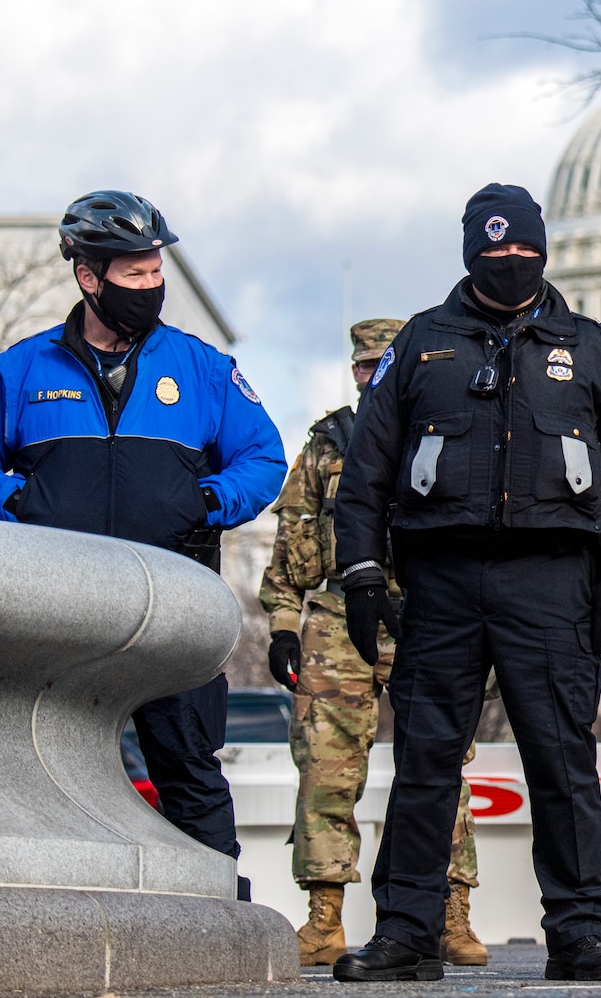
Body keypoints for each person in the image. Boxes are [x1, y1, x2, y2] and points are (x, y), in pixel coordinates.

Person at [328, 183, 601, 983]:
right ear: (467, 255)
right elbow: (367, 473)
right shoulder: (419, 346)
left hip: (553, 583)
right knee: (423, 763)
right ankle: (408, 933)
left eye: (522, 250)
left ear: (542, 251)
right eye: (493, 252)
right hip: (441, 580)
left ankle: (580, 931)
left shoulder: (591, 349)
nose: (509, 262)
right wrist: (360, 574)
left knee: (561, 762)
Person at [0, 190, 286, 887]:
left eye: (157, 272)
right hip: (57, 606)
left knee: (188, 765)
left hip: (173, 601)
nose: (151, 286)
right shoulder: (22, 370)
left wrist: (209, 500)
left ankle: (219, 905)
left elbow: (264, 458)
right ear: (88, 277)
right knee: (39, 764)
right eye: (134, 274)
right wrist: (21, 502)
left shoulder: (203, 368)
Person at [259, 319, 487, 967]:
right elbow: (292, 542)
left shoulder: (452, 432)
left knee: (441, 770)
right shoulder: (328, 444)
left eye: (382, 364)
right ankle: (324, 917)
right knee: (327, 770)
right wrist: (282, 621)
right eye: (362, 367)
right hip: (337, 618)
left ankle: (452, 915)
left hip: (427, 612)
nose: (371, 376)